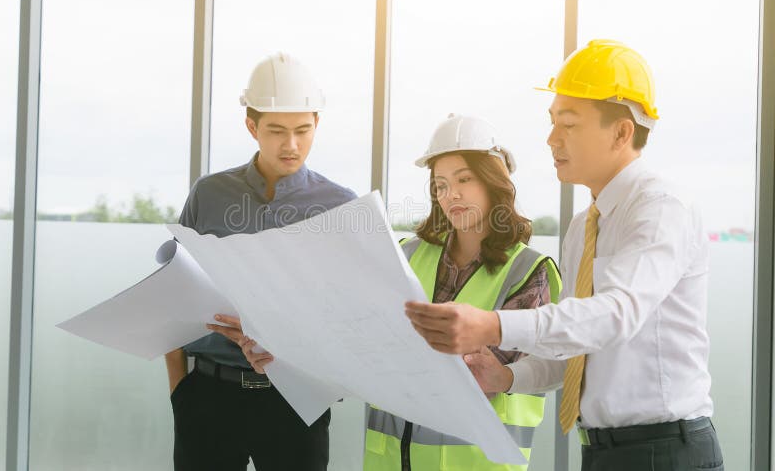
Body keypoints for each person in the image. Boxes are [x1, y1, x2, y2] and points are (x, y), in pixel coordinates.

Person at [405, 40, 724, 471]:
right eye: (552, 122)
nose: (551, 139)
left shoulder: (661, 208)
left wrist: (493, 326)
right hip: (603, 451)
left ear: (621, 132)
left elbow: (615, 315)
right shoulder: (582, 228)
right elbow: (576, 350)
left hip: (665, 451)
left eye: (569, 124)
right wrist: (509, 377)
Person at [165, 52, 356, 471]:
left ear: (317, 123)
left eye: (303, 130)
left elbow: (350, 313)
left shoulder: (341, 207)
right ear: (252, 127)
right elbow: (173, 290)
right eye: (276, 131)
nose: (291, 145)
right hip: (209, 397)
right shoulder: (209, 195)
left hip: (295, 400)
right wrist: (180, 389)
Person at [360, 114, 561, 471]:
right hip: (388, 461)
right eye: (440, 185)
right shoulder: (407, 255)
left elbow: (483, 374)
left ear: (493, 182)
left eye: (464, 179)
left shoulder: (528, 272)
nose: (450, 194)